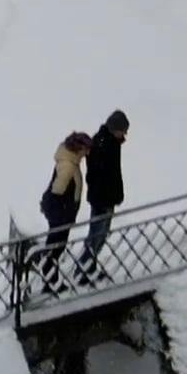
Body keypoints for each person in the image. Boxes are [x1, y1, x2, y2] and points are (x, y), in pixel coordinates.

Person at [29, 130, 89, 293]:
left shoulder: (69, 161)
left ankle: (50, 281)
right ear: (79, 149)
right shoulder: (68, 166)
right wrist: (63, 211)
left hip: (61, 214)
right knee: (54, 250)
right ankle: (51, 283)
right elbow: (58, 190)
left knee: (55, 249)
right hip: (60, 215)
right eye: (85, 150)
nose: (86, 154)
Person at [77, 110, 130, 281]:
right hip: (102, 199)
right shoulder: (104, 144)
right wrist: (111, 194)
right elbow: (102, 174)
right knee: (96, 235)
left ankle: (87, 267)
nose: (124, 135)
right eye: (123, 130)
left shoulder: (108, 142)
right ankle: (84, 270)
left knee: (99, 234)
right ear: (115, 129)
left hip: (104, 197)